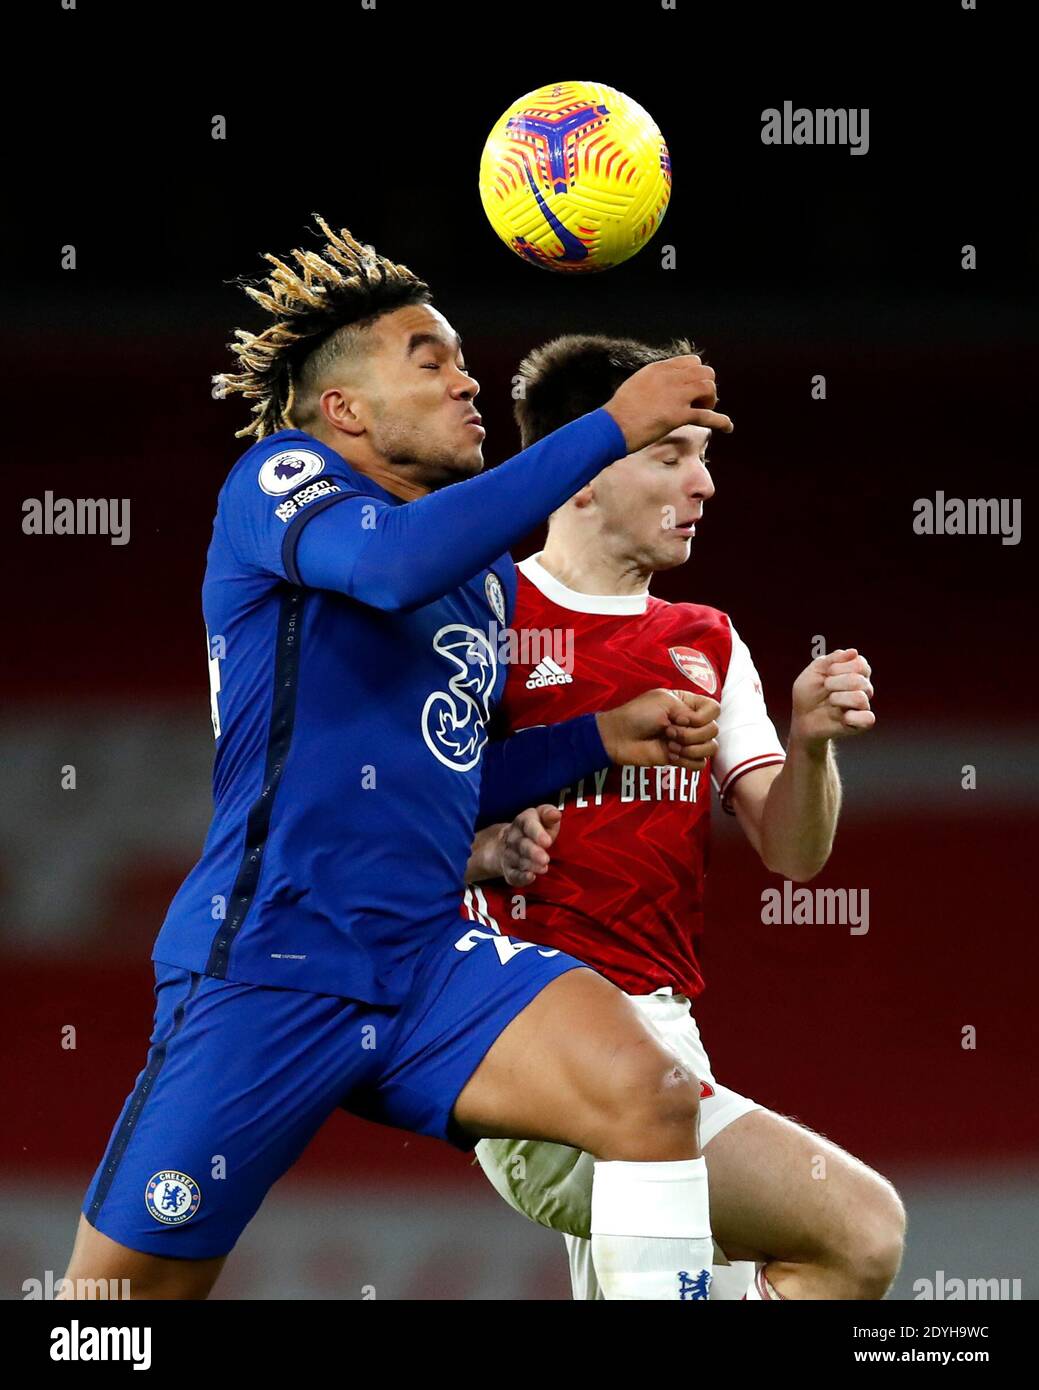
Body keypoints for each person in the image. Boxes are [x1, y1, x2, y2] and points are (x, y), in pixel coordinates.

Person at [61, 220, 736, 1300]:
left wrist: (594, 742)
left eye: (467, 362)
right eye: (433, 362)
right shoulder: (283, 483)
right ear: (345, 411)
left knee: (649, 1094)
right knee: (115, 1306)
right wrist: (612, 426)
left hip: (424, 958)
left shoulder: (477, 581)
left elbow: (446, 777)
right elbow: (387, 565)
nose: (468, 384)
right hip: (273, 959)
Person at [466, 333, 906, 1301]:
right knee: (858, 1232)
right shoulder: (481, 615)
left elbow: (793, 851)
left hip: (668, 1034)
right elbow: (389, 828)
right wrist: (488, 849)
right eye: (670, 456)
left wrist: (812, 741)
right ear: (577, 472)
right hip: (533, 1043)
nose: (701, 486)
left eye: (703, 460)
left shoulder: (705, 638)